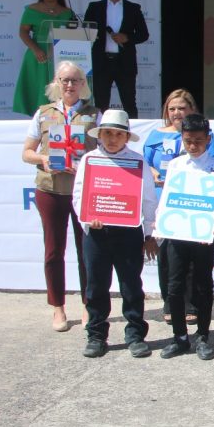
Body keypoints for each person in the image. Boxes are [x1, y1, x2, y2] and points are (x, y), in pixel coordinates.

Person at [73, 109, 159, 358]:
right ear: (99, 135)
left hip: (128, 232)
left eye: (118, 134)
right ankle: (96, 335)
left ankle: (135, 334)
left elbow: (148, 200)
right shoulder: (89, 160)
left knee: (131, 285)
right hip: (97, 233)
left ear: (126, 137)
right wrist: (88, 218)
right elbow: (79, 196)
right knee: (96, 286)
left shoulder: (138, 161)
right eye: (108, 133)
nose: (112, 139)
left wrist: (148, 234)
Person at [21, 62, 100, 332]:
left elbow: (105, 151)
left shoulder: (93, 114)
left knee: (87, 252)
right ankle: (58, 307)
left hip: (81, 191)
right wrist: (43, 158)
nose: (69, 85)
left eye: (75, 80)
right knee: (53, 251)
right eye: (64, 80)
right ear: (57, 82)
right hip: (50, 189)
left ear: (82, 84)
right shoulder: (42, 114)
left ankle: (89, 304)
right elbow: (26, 152)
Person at [142, 89, 214, 324]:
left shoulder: (205, 139)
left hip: (197, 206)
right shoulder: (155, 136)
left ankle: (191, 307)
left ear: (192, 110)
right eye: (172, 108)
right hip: (164, 202)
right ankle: (171, 303)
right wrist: (153, 172)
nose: (177, 112)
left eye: (182, 108)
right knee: (167, 259)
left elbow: (212, 171)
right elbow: (143, 164)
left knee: (192, 265)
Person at [158, 114, 214, 361]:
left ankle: (202, 336)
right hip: (177, 236)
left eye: (199, 140)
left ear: (208, 139)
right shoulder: (176, 165)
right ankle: (179, 337)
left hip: (203, 236)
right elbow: (168, 200)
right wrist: (161, 225)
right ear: (182, 138)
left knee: (203, 286)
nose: (193, 145)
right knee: (175, 285)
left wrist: (212, 225)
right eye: (188, 140)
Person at [84, 0, 149, 117]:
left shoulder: (133, 8)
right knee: (100, 104)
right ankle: (100, 137)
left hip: (124, 63)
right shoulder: (94, 7)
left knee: (129, 104)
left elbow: (143, 34)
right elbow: (85, 32)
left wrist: (126, 38)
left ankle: (133, 137)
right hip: (101, 62)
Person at [13, 0, 73, 116]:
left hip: (61, 55)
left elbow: (73, 33)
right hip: (38, 55)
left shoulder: (68, 12)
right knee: (40, 88)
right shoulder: (31, 10)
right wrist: (36, 49)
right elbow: (23, 32)